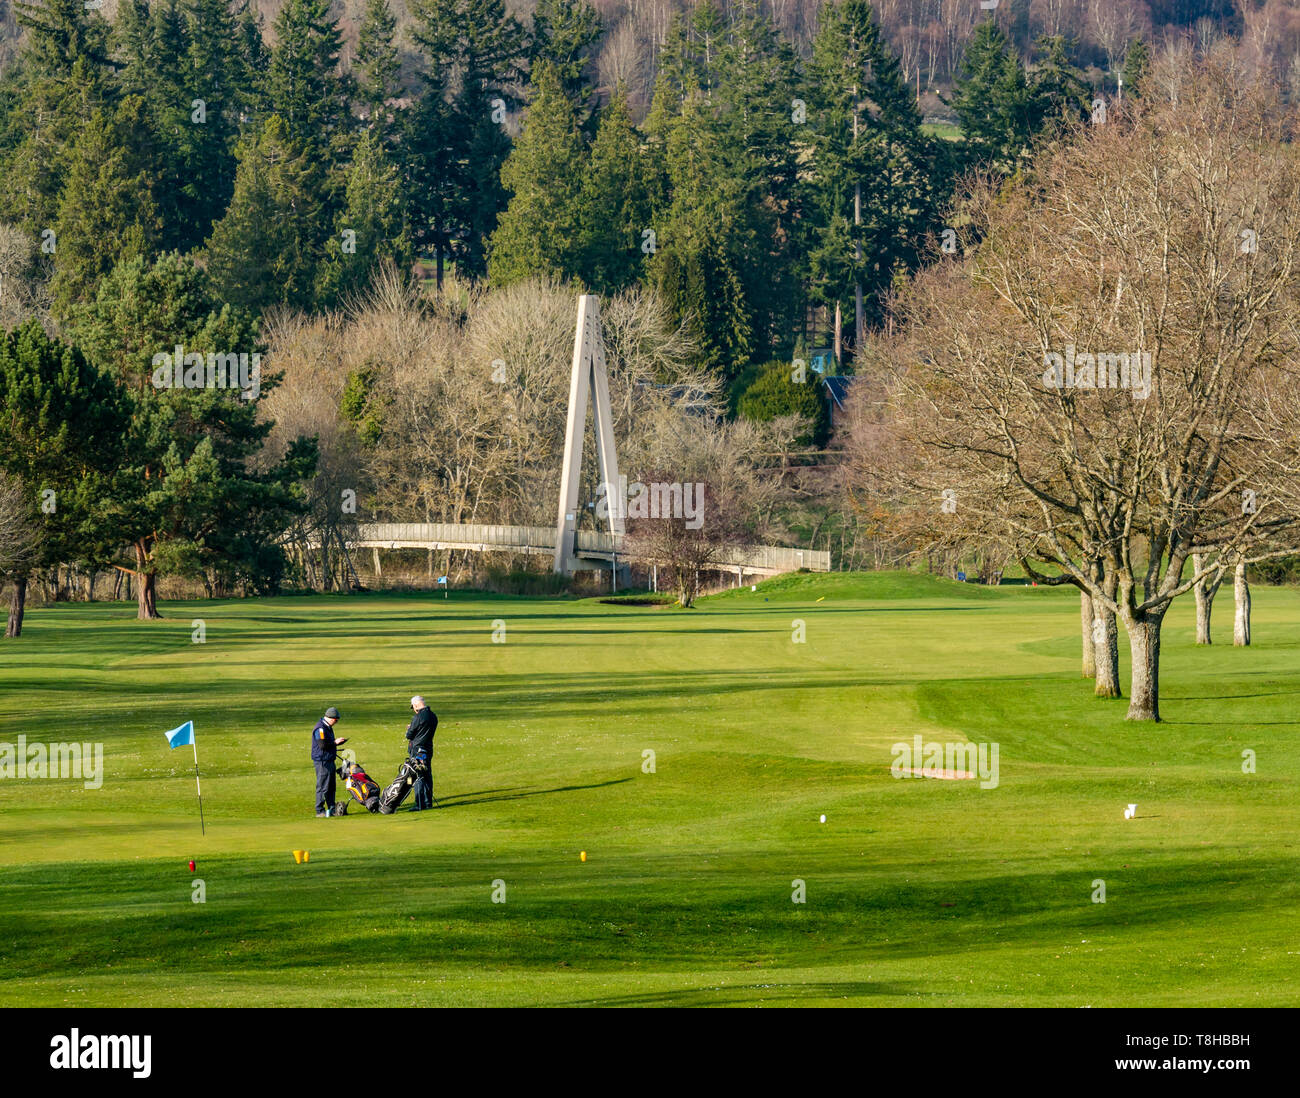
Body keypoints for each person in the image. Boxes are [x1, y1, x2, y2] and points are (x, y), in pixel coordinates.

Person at [311, 706, 347, 817]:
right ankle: (320, 810)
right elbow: (322, 745)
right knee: (323, 787)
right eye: (336, 720)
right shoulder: (320, 728)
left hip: (329, 759)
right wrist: (335, 743)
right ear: (331, 718)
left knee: (331, 786)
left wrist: (336, 743)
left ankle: (332, 808)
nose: (336, 722)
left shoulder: (327, 727)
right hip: (322, 762)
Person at [406, 695, 437, 810]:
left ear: (416, 705)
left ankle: (419, 804)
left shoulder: (418, 717)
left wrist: (409, 729)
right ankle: (428, 802)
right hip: (428, 749)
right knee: (427, 775)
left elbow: (409, 735)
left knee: (418, 775)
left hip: (417, 750)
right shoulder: (433, 716)